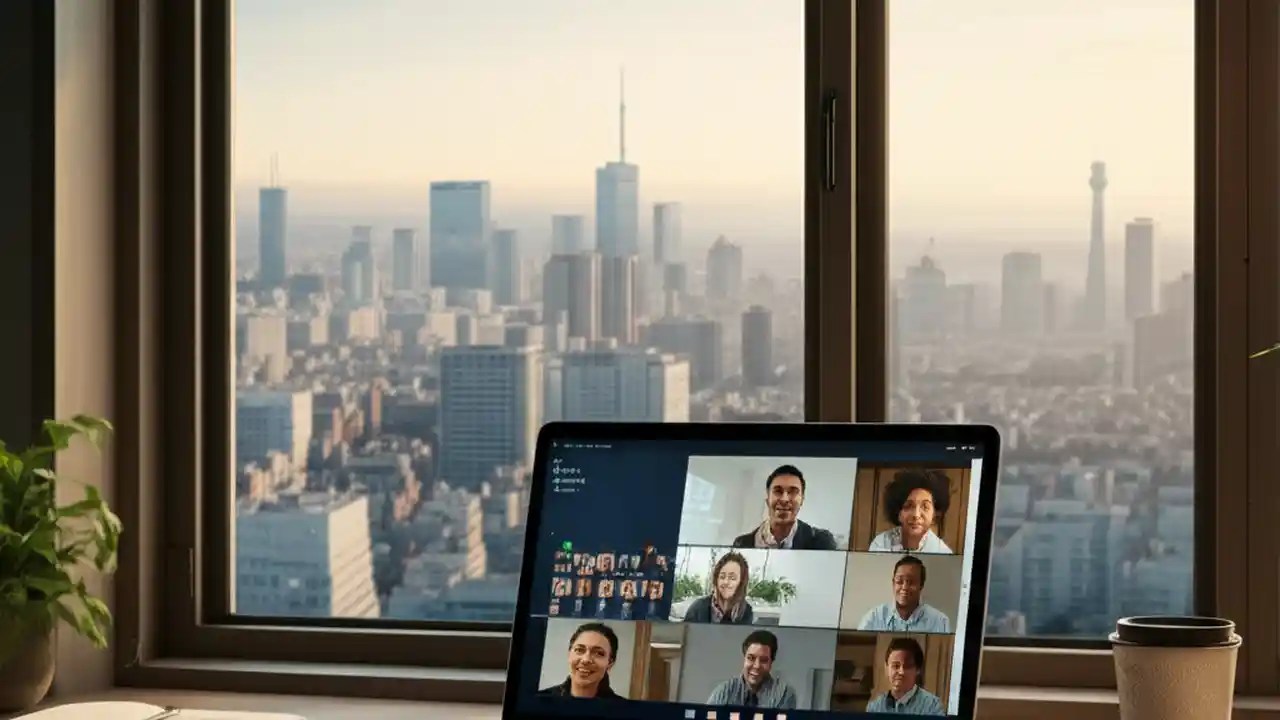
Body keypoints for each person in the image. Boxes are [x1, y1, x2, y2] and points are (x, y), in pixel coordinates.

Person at [732, 465, 837, 550]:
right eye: (778, 491)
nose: (784, 499)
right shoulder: (742, 543)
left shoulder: (821, 541)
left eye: (792, 492)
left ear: (802, 500)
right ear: (768, 498)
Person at [857, 556, 952, 633]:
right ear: (893, 583)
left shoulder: (940, 621)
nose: (905, 587)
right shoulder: (873, 618)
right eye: (899, 581)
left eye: (911, 582)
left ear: (921, 585)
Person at [706, 630, 798, 709]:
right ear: (744, 658)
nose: (757, 666)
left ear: (771, 663)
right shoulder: (724, 691)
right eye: (751, 658)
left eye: (763, 660)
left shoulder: (784, 695)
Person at [869, 469, 954, 553]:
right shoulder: (881, 543)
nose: (916, 515)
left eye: (925, 507)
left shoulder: (942, 551)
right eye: (908, 506)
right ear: (898, 512)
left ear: (934, 514)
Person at [538, 623, 624, 699]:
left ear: (610, 663)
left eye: (599, 653)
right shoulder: (541, 700)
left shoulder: (624, 709)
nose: (586, 660)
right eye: (579, 650)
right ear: (569, 654)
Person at [865, 638, 945, 715]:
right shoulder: (874, 707)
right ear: (886, 668)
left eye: (907, 666)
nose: (901, 672)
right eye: (896, 666)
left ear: (918, 670)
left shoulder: (932, 706)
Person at [683, 551, 756, 625]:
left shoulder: (746, 611)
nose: (726, 582)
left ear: (741, 582)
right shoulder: (698, 608)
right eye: (722, 577)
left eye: (732, 578)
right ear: (716, 579)